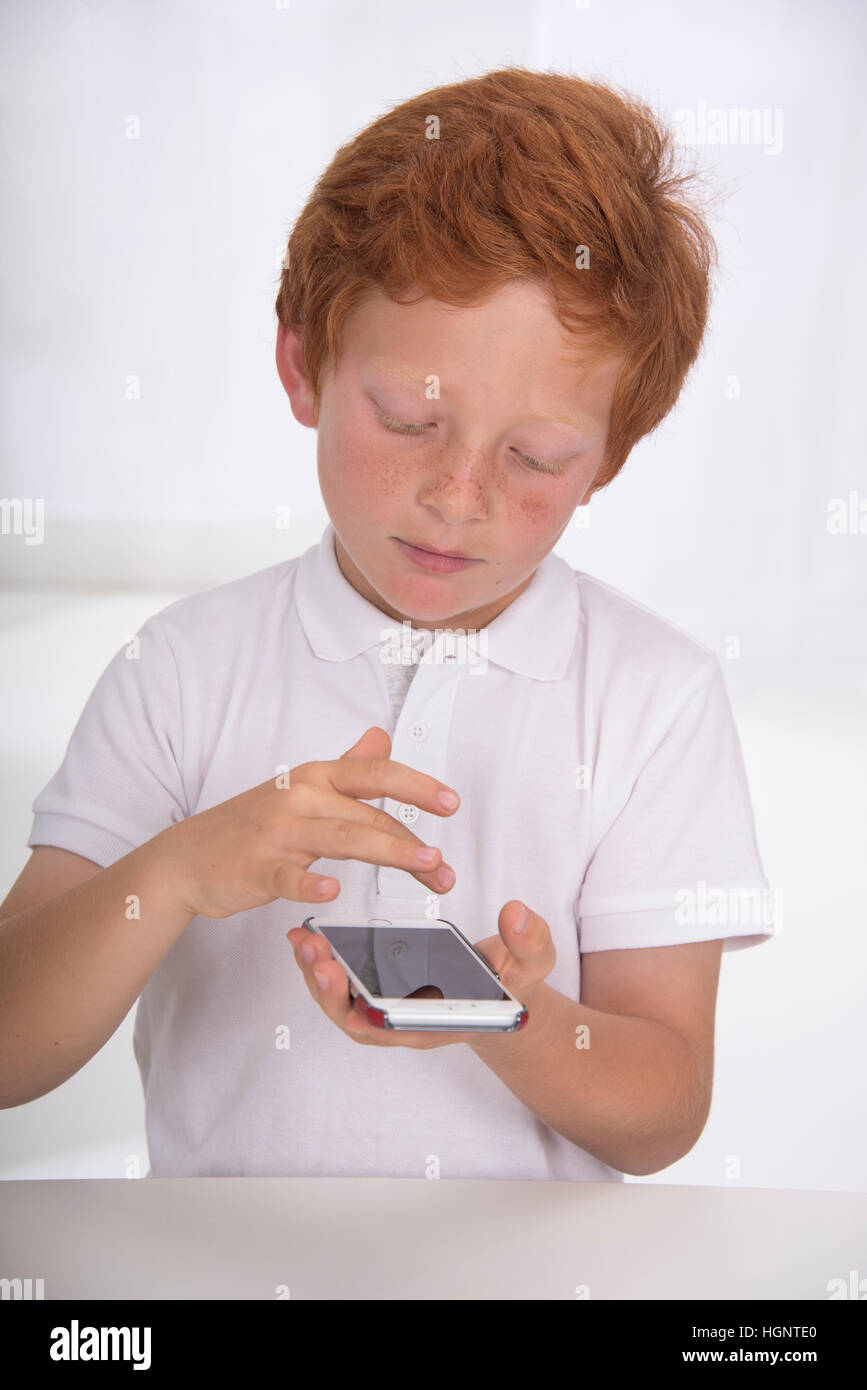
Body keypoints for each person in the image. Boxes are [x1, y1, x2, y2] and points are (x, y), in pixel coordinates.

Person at [0, 67, 774, 1181]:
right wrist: (169, 873)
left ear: (607, 460)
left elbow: (664, 1107)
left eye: (537, 457)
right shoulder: (181, 668)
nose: (459, 496)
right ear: (304, 363)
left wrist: (514, 1017)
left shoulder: (655, 696)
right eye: (411, 418)